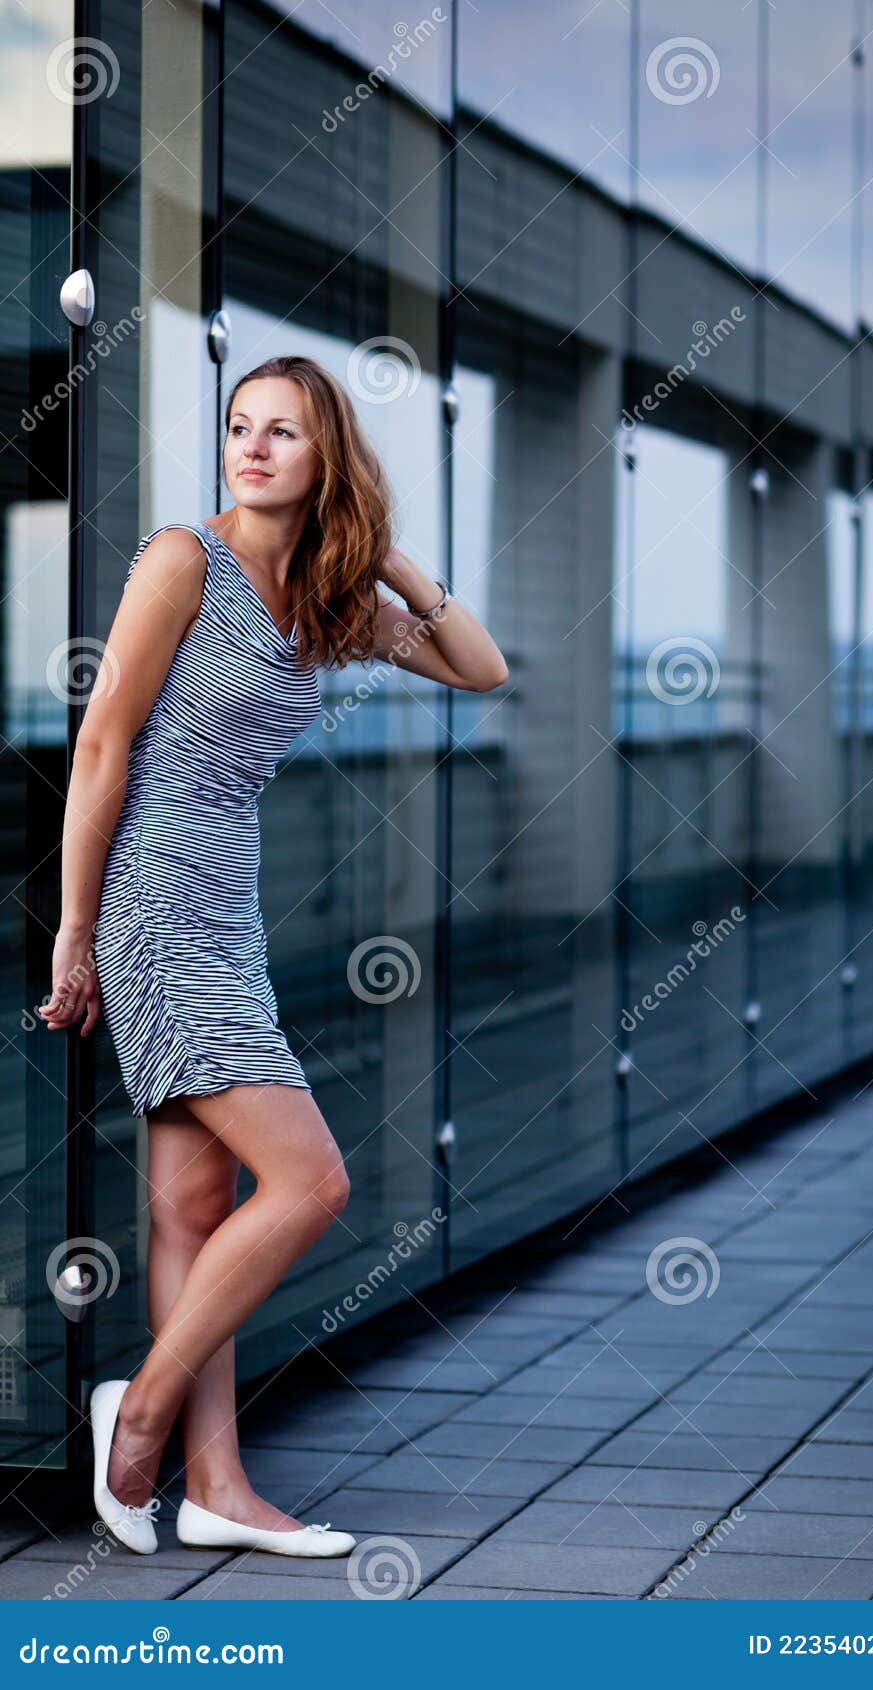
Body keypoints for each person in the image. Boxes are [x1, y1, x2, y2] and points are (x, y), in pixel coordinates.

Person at [40, 353, 508, 1556]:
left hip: (226, 910)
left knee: (197, 1204)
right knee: (312, 1183)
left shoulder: (330, 598)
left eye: (283, 433)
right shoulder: (180, 560)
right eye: (240, 426)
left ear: (325, 458)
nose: (251, 448)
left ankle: (216, 1488)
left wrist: (392, 554)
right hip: (150, 903)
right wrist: (77, 926)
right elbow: (102, 747)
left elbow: (479, 667)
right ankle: (136, 1419)